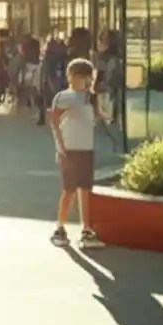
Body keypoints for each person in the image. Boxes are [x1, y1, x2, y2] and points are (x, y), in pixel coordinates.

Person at [48, 58, 108, 249]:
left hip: (86, 148)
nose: (81, 80)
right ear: (70, 76)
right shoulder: (63, 96)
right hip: (69, 150)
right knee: (69, 190)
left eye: (85, 77)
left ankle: (86, 230)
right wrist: (60, 146)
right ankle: (60, 228)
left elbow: (99, 116)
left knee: (86, 190)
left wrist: (106, 113)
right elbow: (54, 120)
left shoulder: (90, 98)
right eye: (76, 76)